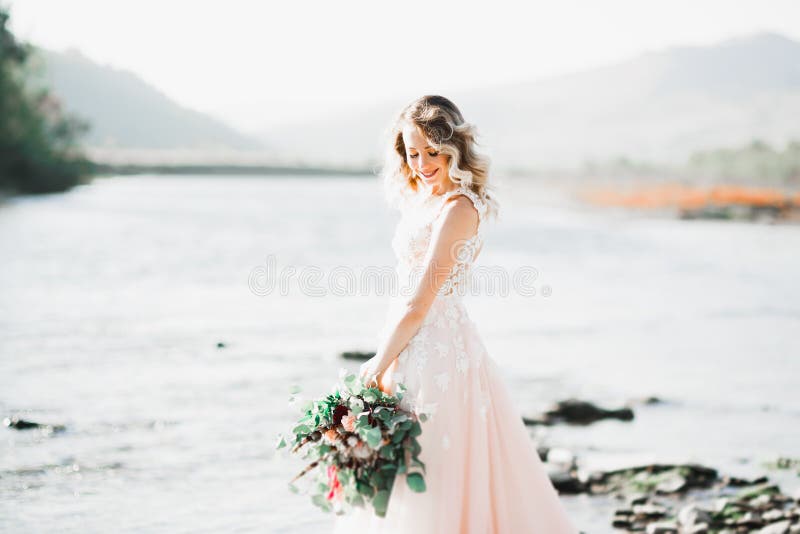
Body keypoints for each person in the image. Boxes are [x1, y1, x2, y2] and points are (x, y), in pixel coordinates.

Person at [333, 95, 578, 533]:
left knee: (434, 470)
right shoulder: (425, 200)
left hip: (437, 353)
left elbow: (419, 301)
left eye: (433, 152)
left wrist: (377, 363)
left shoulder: (459, 208)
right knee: (404, 466)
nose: (423, 163)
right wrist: (388, 357)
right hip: (408, 344)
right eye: (413, 152)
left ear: (455, 148)